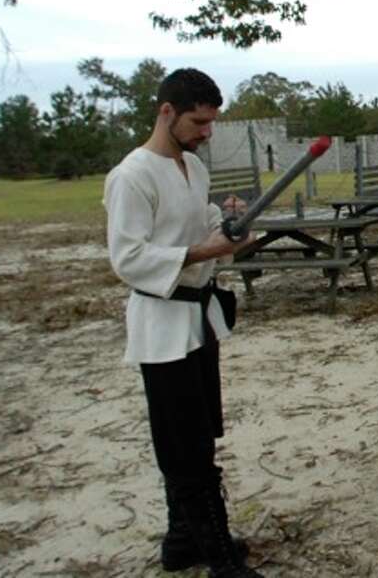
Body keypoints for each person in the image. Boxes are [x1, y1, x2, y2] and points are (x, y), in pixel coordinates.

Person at [103, 68, 263, 578]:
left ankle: (181, 542)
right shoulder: (131, 176)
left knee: (197, 433)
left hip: (199, 318)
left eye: (211, 122)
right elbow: (128, 258)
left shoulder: (193, 167)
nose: (206, 132)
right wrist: (205, 249)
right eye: (198, 122)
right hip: (161, 324)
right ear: (166, 111)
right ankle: (221, 560)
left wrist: (229, 223)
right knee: (185, 446)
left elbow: (203, 226)